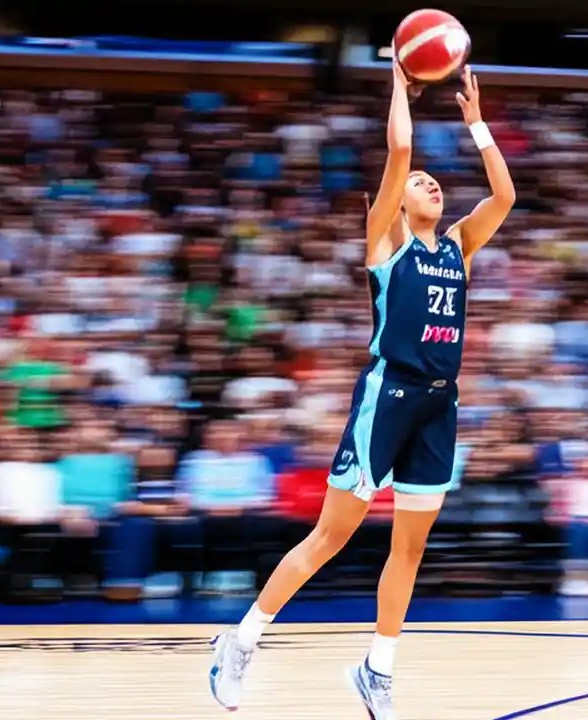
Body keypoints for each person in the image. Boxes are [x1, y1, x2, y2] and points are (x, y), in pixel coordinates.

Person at [209, 61, 514, 720]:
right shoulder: (385, 242)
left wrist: (477, 123)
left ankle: (377, 670)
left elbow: (505, 199)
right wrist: (401, 86)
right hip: (389, 394)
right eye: (418, 183)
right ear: (397, 201)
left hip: (440, 401)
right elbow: (400, 150)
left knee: (411, 547)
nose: (429, 182)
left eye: (436, 180)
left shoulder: (459, 246)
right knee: (331, 536)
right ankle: (240, 641)